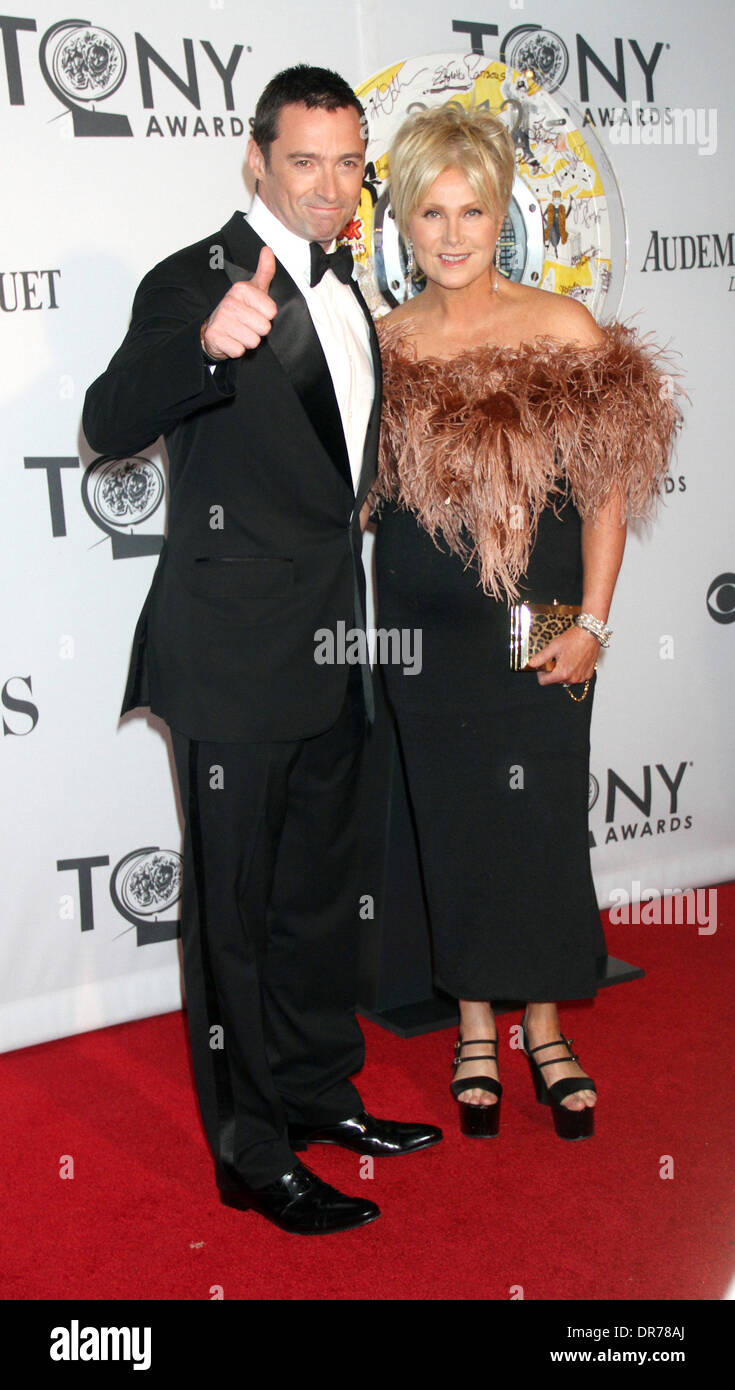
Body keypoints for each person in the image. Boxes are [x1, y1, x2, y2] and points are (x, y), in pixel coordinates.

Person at [83, 64, 441, 1236]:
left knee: (319, 901)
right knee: (233, 916)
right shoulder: (192, 279)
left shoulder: (352, 293)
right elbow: (108, 419)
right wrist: (201, 346)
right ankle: (250, 1152)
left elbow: (336, 484)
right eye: (304, 161)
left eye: (349, 162)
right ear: (256, 159)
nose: (331, 185)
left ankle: (319, 1091)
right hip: (232, 656)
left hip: (334, 645)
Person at [365, 105, 683, 1141]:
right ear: (403, 224)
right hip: (423, 628)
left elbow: (605, 494)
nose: (452, 234)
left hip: (538, 614)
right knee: (452, 823)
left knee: (542, 819)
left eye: (473, 211)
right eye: (431, 213)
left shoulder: (563, 329)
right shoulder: (382, 345)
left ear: (504, 214)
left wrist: (593, 621)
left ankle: (542, 1027)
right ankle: (472, 1026)